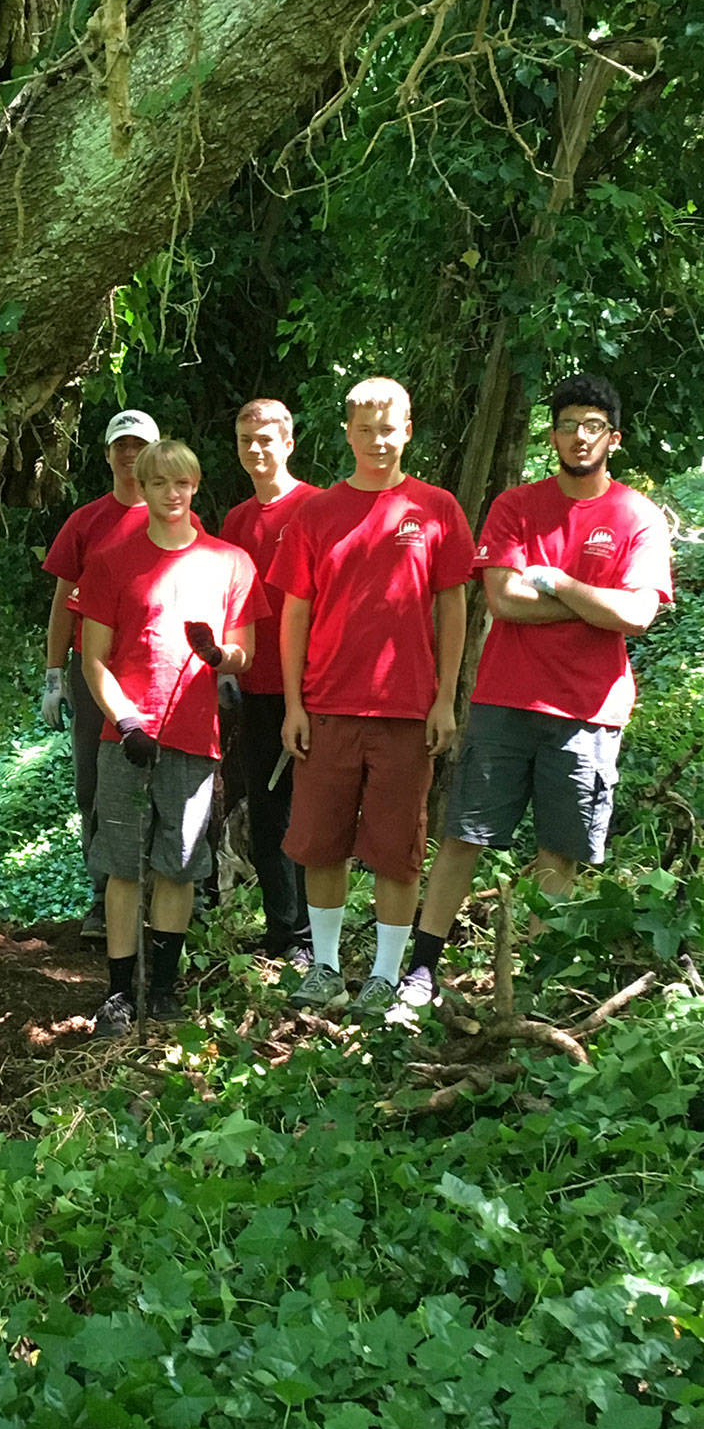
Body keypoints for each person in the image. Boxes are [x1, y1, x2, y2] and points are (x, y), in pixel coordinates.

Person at [397, 373, 673, 1017]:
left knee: (561, 850)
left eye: (593, 425)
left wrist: (555, 582)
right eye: (569, 423)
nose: (580, 436)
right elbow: (503, 600)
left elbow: (636, 616)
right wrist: (590, 603)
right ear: (553, 434)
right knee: (463, 834)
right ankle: (421, 967)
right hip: (505, 700)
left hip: (588, 712)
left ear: (615, 437)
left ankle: (535, 991)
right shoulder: (517, 505)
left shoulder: (636, 516)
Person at [270, 377, 474, 1019]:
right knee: (320, 842)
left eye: (389, 429)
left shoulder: (438, 508)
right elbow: (295, 614)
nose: (378, 442)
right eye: (366, 430)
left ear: (408, 430)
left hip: (407, 712)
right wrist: (294, 705)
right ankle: (326, 969)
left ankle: (386, 976)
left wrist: (444, 699)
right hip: (327, 707)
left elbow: (454, 607)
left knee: (396, 847)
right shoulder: (316, 513)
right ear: (347, 434)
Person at [78, 440, 266, 1036]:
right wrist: (127, 720)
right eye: (159, 482)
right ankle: (117, 993)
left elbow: (244, 653)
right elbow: (94, 659)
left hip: (193, 736)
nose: (172, 493)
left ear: (195, 485)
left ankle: (161, 988)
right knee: (123, 867)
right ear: (145, 486)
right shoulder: (111, 561)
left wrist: (217, 653)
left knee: (180, 866)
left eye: (182, 482)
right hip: (126, 737)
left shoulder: (229, 562)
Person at [41, 409, 163, 938]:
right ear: (109, 452)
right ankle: (102, 895)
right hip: (93, 673)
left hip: (158, 670)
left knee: (166, 780)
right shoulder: (86, 521)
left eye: (139, 445)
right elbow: (62, 604)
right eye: (121, 445)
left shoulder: (177, 515)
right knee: (92, 782)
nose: (129, 455)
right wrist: (52, 675)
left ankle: (164, 894)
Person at [220, 398, 319, 964]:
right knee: (266, 812)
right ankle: (283, 930)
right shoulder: (235, 521)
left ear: (288, 442)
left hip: (309, 687)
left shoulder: (316, 508)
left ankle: (309, 934)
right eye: (245, 440)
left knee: (312, 812)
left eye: (265, 438)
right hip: (252, 688)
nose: (255, 450)